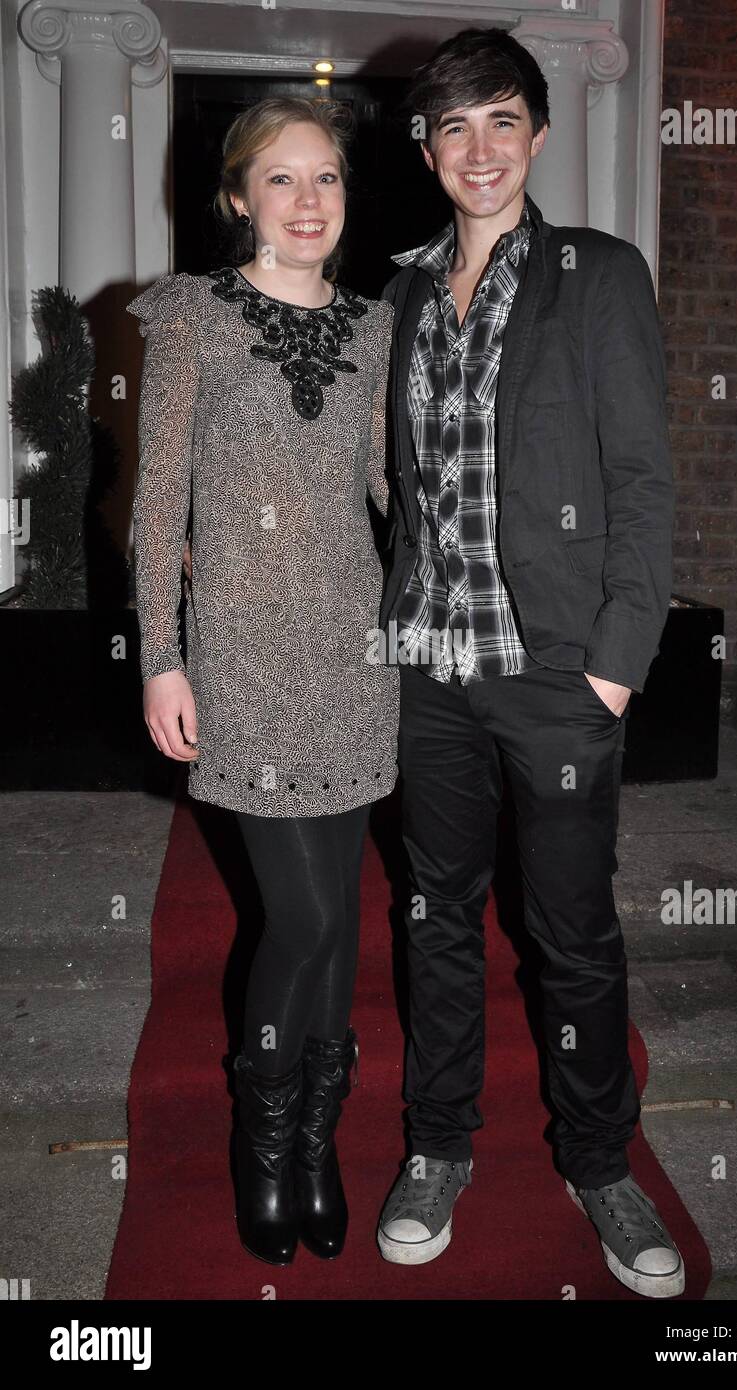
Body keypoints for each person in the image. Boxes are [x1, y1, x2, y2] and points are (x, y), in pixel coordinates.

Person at [374, 29, 684, 1298]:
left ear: (540, 136)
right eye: (454, 127)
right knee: (435, 914)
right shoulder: (395, 294)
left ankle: (601, 1161)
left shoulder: (597, 275)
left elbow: (644, 481)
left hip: (556, 673)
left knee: (572, 932)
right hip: (428, 675)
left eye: (503, 121)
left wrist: (615, 666)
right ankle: (440, 1145)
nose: (481, 150)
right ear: (428, 149)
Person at [127, 96, 399, 1266]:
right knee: (312, 914)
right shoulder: (191, 317)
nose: (307, 202)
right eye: (280, 180)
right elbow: (157, 506)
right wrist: (162, 654)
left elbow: (400, 494)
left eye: (326, 178)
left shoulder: (383, 329)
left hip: (358, 651)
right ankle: (263, 1132)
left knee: (337, 929)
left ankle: (313, 1142)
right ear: (238, 196)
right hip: (241, 650)